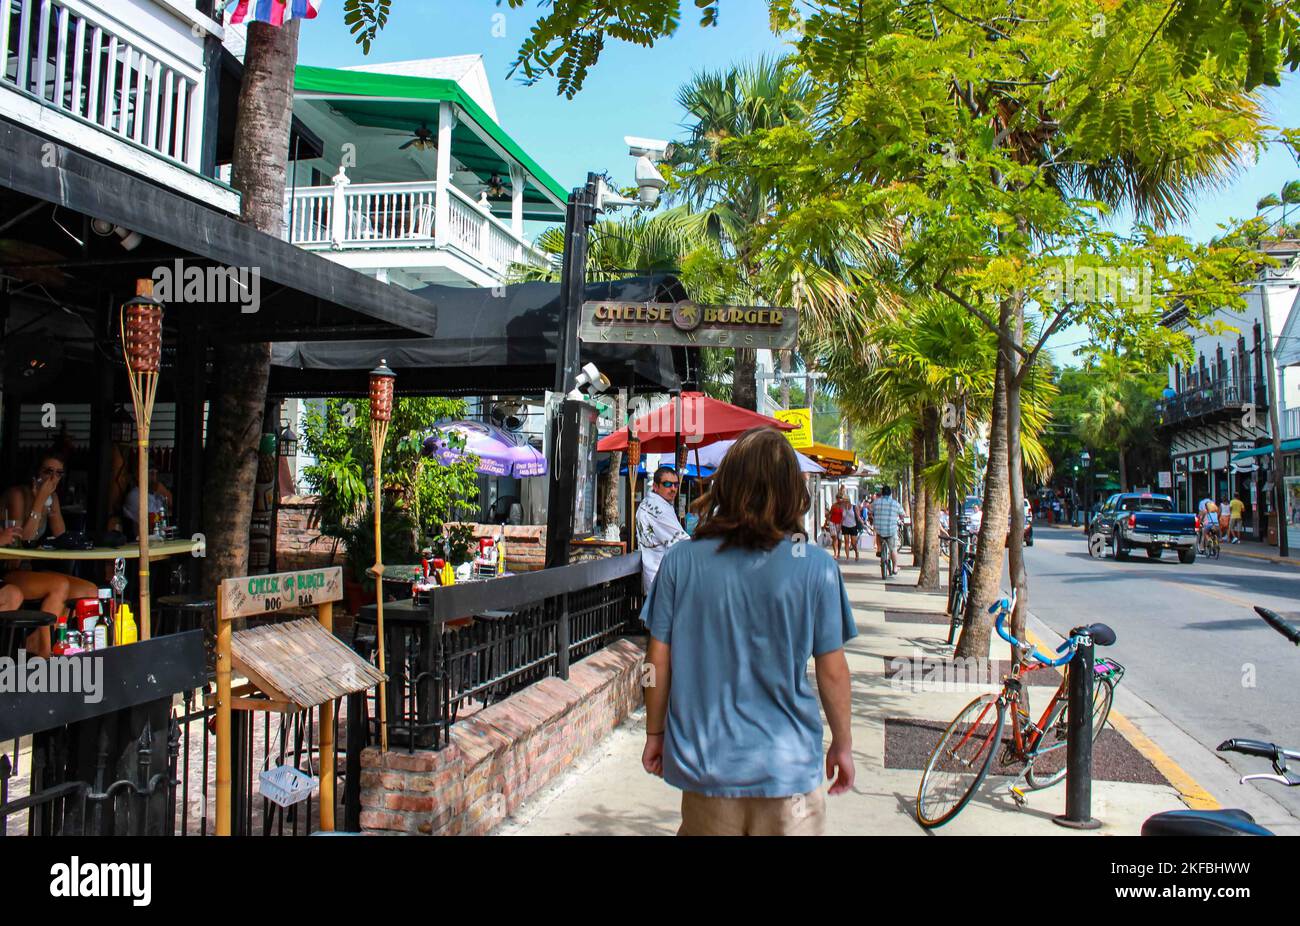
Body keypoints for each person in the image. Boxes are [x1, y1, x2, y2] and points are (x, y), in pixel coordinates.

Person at [640, 427, 856, 835]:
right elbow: (832, 670)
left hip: (707, 772)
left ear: (727, 485)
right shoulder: (814, 565)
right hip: (788, 776)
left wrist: (655, 732)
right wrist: (842, 744)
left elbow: (656, 661)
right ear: (793, 491)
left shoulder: (681, 561)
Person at [2, 453, 98, 656]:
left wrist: (51, 507)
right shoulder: (18, 495)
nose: (52, 478)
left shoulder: (51, 498)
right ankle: (45, 650)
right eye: (47, 472)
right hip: (11, 568)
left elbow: (61, 537)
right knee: (59, 585)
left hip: (33, 568)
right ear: (35, 473)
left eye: (58, 473)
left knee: (89, 591)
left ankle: (53, 642)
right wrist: (39, 501)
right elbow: (22, 541)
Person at [636, 466, 690, 595]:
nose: (673, 489)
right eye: (667, 484)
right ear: (655, 486)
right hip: (663, 578)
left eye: (676, 485)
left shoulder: (647, 502)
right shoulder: (659, 509)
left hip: (655, 575)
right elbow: (681, 542)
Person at [122, 466, 173, 537]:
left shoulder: (158, 494)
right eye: (151, 473)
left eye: (156, 473)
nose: (154, 478)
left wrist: (165, 492)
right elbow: (150, 519)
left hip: (159, 537)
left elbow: (174, 511)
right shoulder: (134, 495)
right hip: (140, 540)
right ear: (140, 475)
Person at [871, 485, 904, 575]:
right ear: (890, 493)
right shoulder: (895, 503)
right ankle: (895, 567)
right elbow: (902, 514)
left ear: (882, 493)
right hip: (891, 530)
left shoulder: (876, 502)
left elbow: (870, 510)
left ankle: (879, 549)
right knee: (893, 549)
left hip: (879, 529)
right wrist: (900, 517)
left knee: (878, 533)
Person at [840, 496, 861, 561]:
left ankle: (856, 552)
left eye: (845, 501)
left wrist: (862, 522)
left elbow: (858, 516)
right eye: (843, 501)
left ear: (848, 501)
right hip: (845, 525)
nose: (844, 502)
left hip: (853, 526)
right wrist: (840, 526)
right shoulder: (843, 508)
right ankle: (847, 557)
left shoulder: (854, 507)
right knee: (846, 541)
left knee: (853, 543)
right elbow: (842, 518)